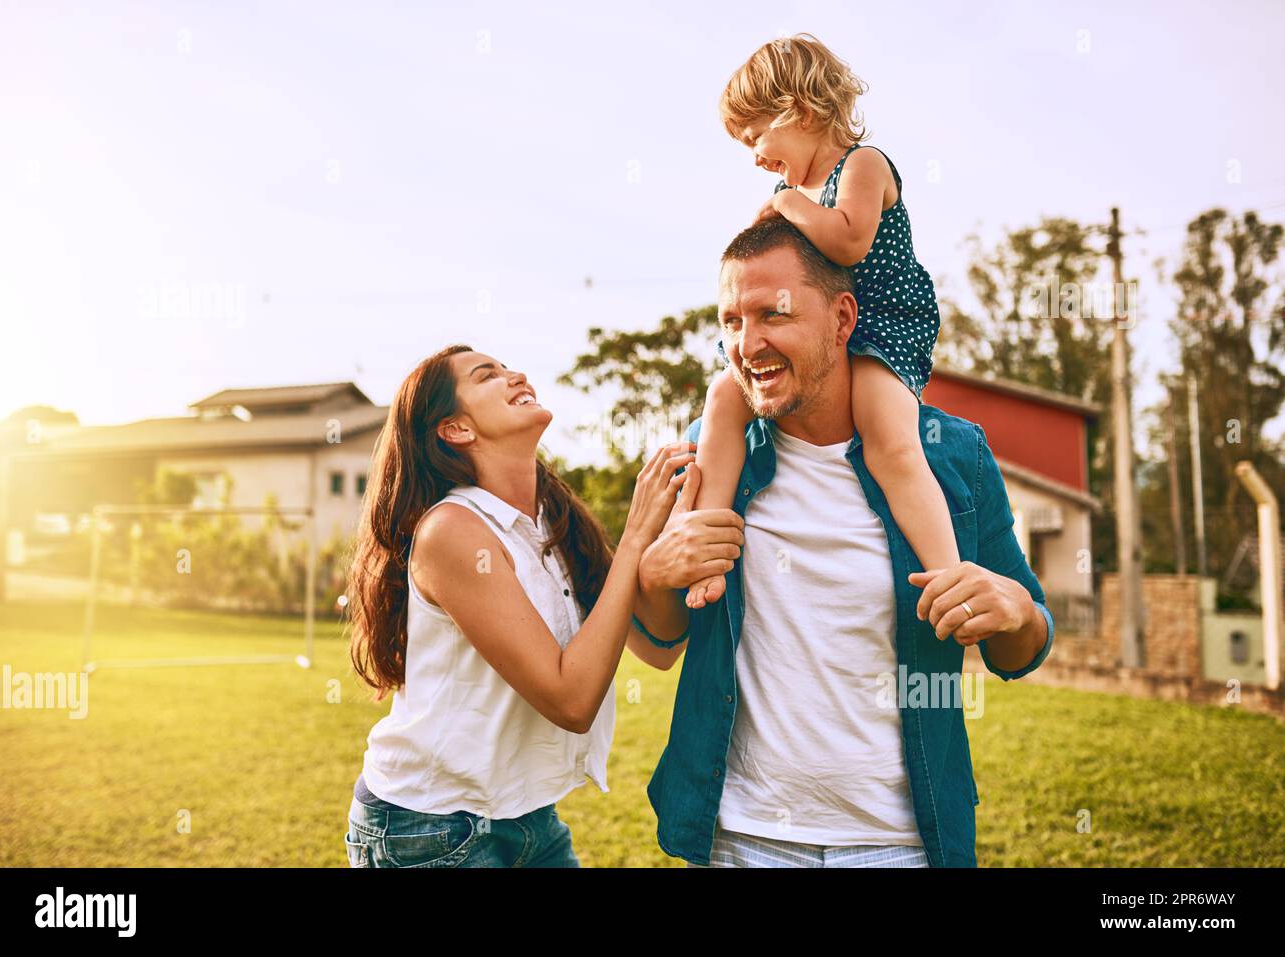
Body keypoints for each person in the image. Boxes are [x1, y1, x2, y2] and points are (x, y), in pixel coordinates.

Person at [630, 219, 1055, 867]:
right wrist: (655, 572)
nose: (747, 344)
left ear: (842, 316)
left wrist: (1016, 608)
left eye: (773, 314)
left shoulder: (952, 455)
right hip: (743, 838)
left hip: (903, 844)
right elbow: (661, 639)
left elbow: (1021, 649)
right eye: (730, 321)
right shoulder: (713, 450)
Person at [343, 344, 693, 867]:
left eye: (507, 368)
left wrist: (663, 561)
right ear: (456, 429)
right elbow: (571, 701)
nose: (515, 375)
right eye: (488, 375)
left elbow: (659, 645)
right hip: (427, 828)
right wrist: (638, 536)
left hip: (527, 815)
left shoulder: (556, 519)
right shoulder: (453, 532)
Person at [685, 32, 959, 610]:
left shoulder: (862, 165)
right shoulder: (792, 189)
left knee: (889, 438)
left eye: (757, 136)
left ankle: (949, 574)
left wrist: (787, 205)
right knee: (721, 403)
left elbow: (851, 241)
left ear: (802, 111)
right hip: (811, 327)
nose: (756, 156)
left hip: (881, 321)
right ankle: (704, 547)